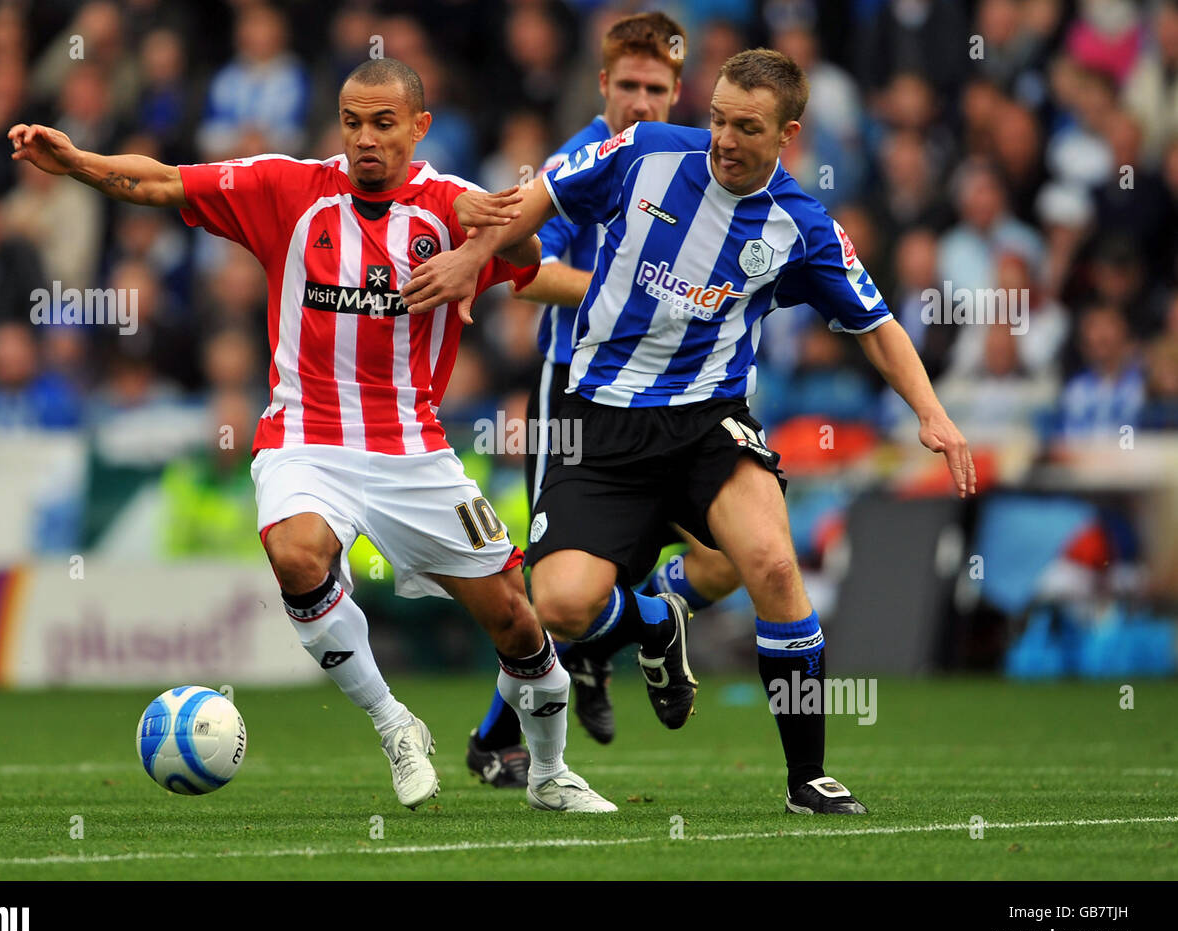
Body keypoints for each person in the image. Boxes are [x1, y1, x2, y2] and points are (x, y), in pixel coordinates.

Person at [9, 57, 617, 813]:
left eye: (384, 124)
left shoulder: (453, 206)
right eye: (353, 122)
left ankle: (550, 774)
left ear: (419, 128)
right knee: (295, 553)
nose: (366, 138)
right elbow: (164, 181)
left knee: (516, 620)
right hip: (305, 434)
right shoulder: (286, 189)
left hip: (412, 449)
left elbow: (526, 253)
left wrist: (476, 255)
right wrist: (77, 163)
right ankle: (395, 724)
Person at [404, 49, 976, 814]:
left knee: (770, 564)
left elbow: (874, 323)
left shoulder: (799, 224)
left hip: (708, 422)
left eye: (747, 127)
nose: (725, 139)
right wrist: (474, 257)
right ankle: (653, 621)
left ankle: (807, 777)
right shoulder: (644, 153)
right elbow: (544, 194)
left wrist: (932, 415)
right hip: (599, 421)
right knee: (562, 606)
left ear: (788, 134)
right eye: (718, 119)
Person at [463, 11, 742, 791]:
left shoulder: (692, 160)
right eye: (629, 86)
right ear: (602, 85)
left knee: (725, 561)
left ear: (678, 91)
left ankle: (604, 646)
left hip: (670, 402)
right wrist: (627, 300)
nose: (642, 102)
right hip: (576, 393)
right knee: (556, 587)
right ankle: (495, 738)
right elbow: (524, 272)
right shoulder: (579, 160)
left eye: (657, 88)